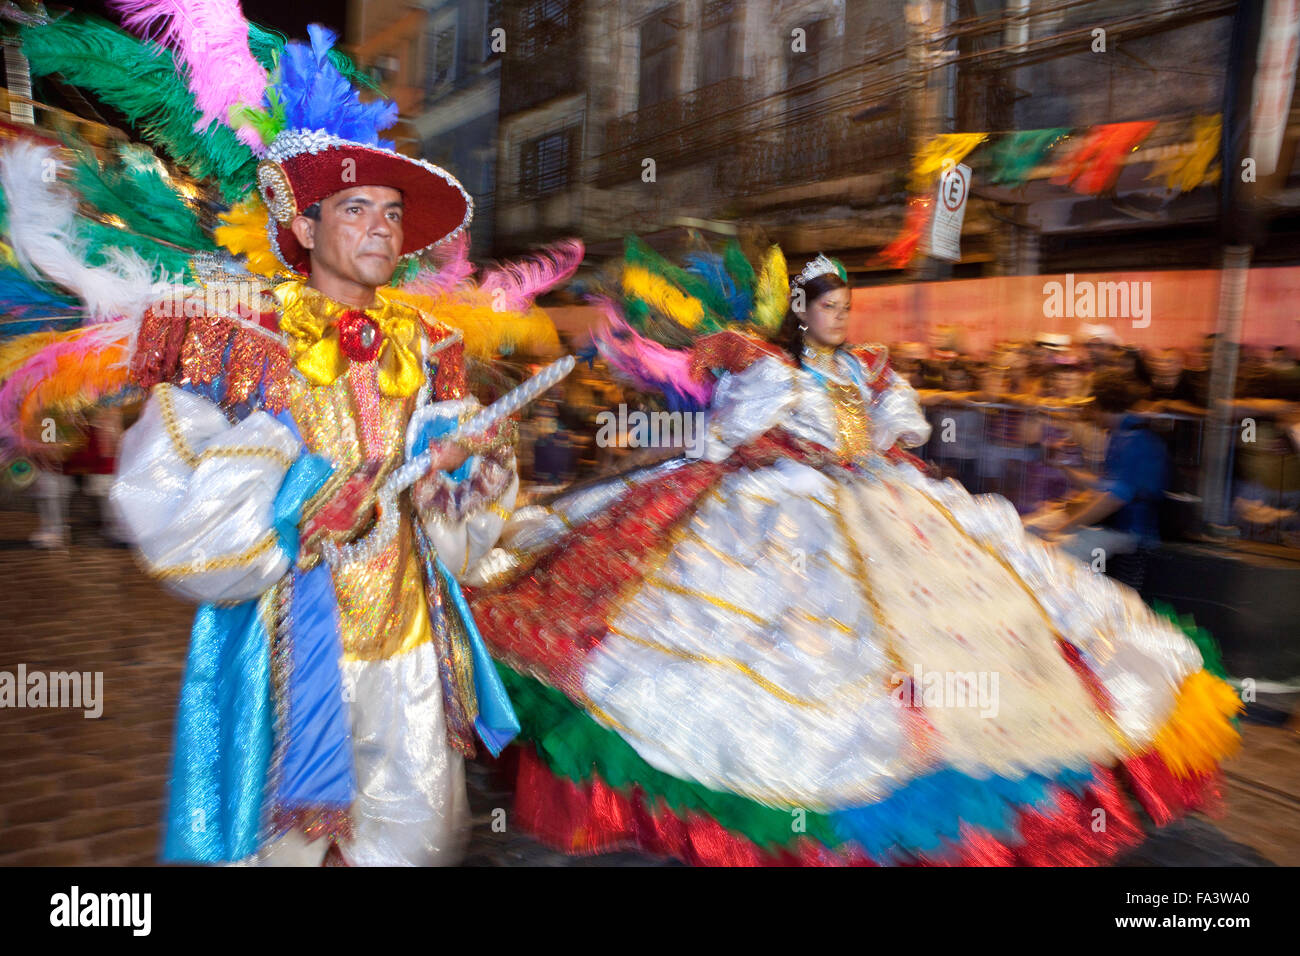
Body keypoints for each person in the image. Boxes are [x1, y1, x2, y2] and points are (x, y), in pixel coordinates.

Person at [0, 19, 576, 866]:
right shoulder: (235, 338)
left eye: (390, 212)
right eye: (354, 208)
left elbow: (467, 518)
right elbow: (160, 486)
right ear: (302, 228)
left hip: (411, 654)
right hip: (287, 655)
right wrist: (293, 505)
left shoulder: (429, 345)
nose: (381, 228)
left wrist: (465, 472)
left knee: (414, 846)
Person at [467, 246, 1241, 866]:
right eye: (831, 306)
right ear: (804, 312)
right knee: (790, 638)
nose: (842, 318)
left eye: (848, 307)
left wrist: (875, 434)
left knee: (985, 620)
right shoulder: (768, 367)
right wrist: (759, 445)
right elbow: (731, 433)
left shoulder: (868, 366)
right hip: (785, 504)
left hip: (880, 502)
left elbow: (902, 422)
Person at [1030, 371, 1169, 564]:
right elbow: (1102, 485)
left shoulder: (1137, 440)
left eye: (1091, 406)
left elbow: (1112, 499)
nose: (1088, 413)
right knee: (1029, 529)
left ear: (1102, 406)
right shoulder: (1121, 433)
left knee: (1052, 554)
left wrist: (1062, 529)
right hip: (1109, 523)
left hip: (1127, 531)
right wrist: (1063, 467)